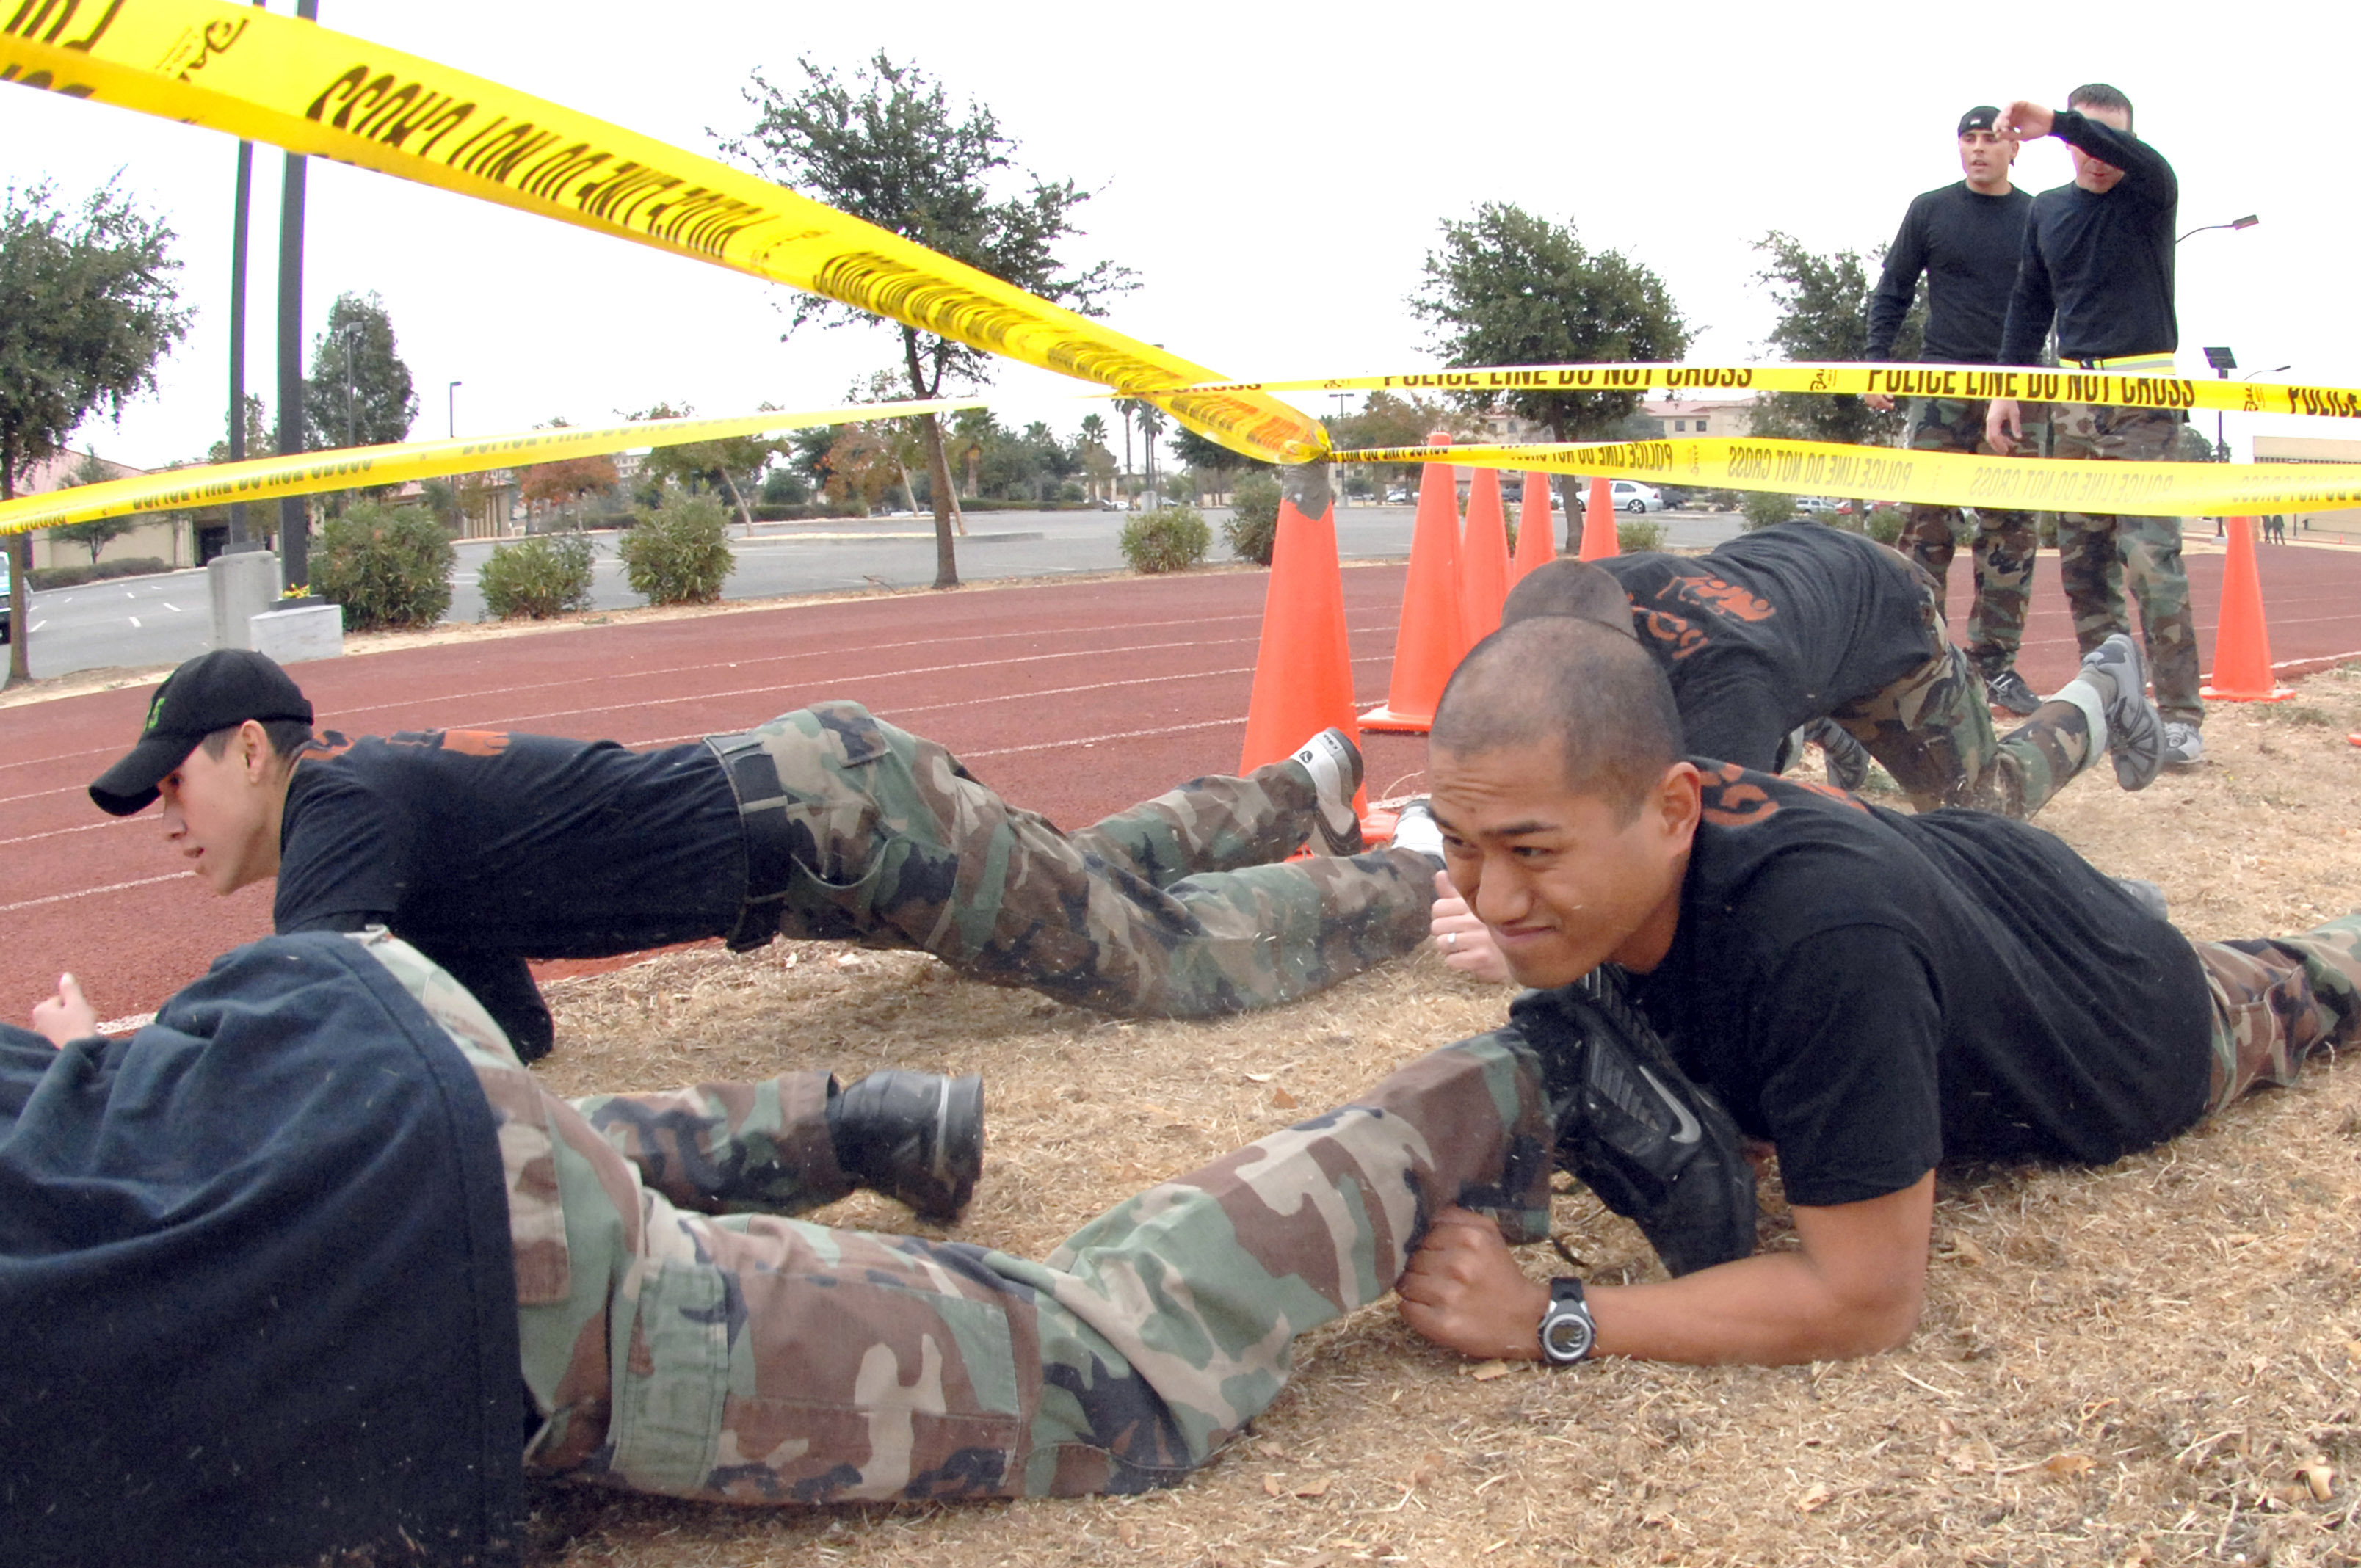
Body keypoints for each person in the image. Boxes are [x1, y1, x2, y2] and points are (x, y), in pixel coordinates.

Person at [9, 924, 1566, 1554]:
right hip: (316, 1078)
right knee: (559, 1180)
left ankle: (1503, 1088)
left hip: (404, 1228)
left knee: (1107, 1358)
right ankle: (864, 1122)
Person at [1394, 616, 2361, 1368]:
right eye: (1461, 845)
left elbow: (1862, 1301)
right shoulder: (1624, 803)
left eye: (1533, 853)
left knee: (2323, 973)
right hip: (1969, 890)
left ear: (1676, 809)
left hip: (2134, 1008)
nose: (1493, 897)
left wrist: (1548, 1317)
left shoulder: (1825, 943)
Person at [88, 650, 1436, 1061]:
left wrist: (123, 1065)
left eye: (173, 780)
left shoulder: (338, 806)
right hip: (821, 808)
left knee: (1155, 960)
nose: (168, 816)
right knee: (1077, 881)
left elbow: (309, 1002)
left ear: (253, 750)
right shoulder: (378, 799)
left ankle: (1415, 871)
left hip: (834, 825)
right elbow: (516, 1032)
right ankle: (1304, 785)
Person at [1498, 529, 2164, 819]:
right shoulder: (1582, 591)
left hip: (1881, 607)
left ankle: (2104, 688)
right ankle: (1813, 718)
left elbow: (1710, 859)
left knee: (1982, 810)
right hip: (1794, 592)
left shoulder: (1726, 689)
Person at [1986, 85, 2206, 769]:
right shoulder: (2049, 211)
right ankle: (2114, 708)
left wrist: (2060, 123)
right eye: (2080, 143)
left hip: (2143, 396)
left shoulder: (2151, 193)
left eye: (2105, 141)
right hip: (2073, 398)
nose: (2094, 155)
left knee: (2150, 560)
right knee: (2083, 566)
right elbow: (2030, 302)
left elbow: (2121, 151)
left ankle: (2181, 717)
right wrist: (2006, 389)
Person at [1863, 106, 2044, 716]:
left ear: (2014, 149)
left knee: (2010, 532)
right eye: (1969, 138)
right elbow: (1893, 287)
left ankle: (1996, 665)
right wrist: (1876, 362)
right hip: (1941, 388)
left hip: (2018, 390)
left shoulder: (2038, 216)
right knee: (1927, 529)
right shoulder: (1930, 210)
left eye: (1992, 139)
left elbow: (2065, 297)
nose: (1979, 149)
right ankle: (1922, 661)